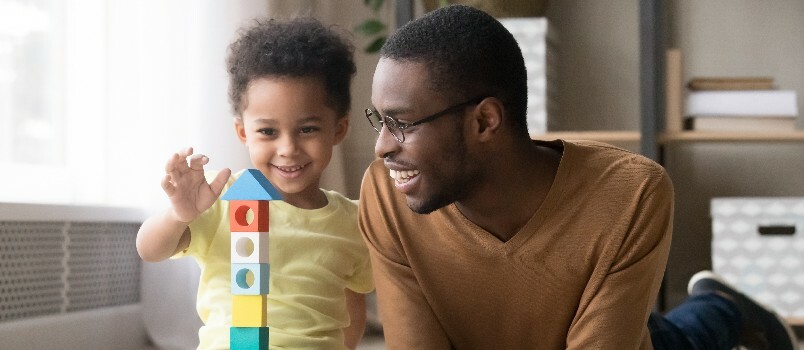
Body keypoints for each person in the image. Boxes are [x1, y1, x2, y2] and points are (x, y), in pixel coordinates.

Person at [357, 4, 797, 350]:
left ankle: (722, 307)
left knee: (678, 339)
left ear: (485, 121)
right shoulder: (386, 192)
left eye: (404, 124)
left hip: (617, 338)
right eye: (380, 120)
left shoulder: (632, 194)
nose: (382, 147)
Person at [136, 17, 373, 350]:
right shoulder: (221, 199)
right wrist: (179, 214)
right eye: (268, 132)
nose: (288, 149)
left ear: (338, 129)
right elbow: (149, 250)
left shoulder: (355, 221)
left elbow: (354, 306)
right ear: (243, 132)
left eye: (307, 129)